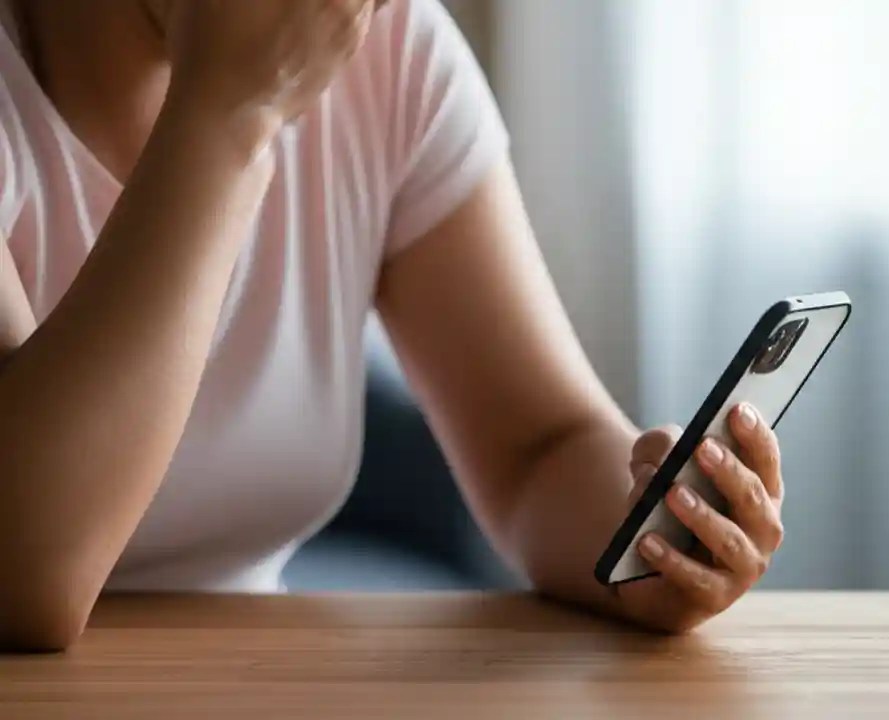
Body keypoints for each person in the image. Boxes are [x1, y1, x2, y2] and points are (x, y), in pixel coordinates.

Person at [0, 0, 786, 651]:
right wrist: (229, 117)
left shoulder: (391, 54)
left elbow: (538, 447)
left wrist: (648, 551)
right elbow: (22, 575)